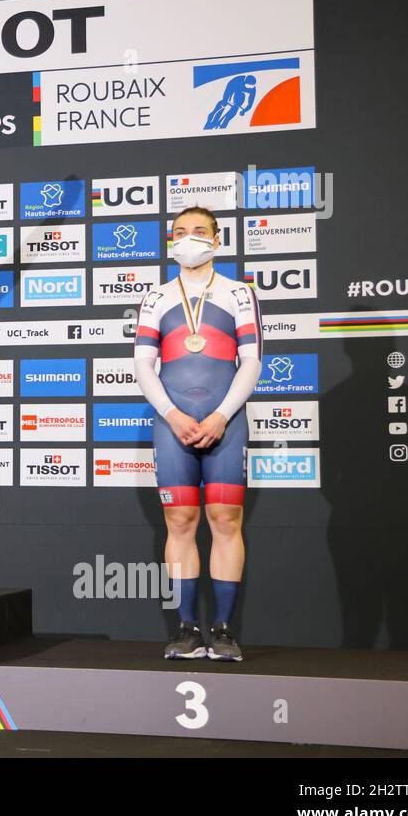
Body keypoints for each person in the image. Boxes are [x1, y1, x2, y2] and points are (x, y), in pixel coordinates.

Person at [134, 206, 262, 662]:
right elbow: (143, 365)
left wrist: (223, 415)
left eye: (199, 232)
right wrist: (171, 414)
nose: (190, 239)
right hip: (173, 424)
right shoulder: (156, 297)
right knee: (179, 522)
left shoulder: (239, 294)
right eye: (181, 232)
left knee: (225, 521)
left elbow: (251, 362)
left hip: (225, 422)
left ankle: (224, 630)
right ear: (170, 241)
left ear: (217, 239)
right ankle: (187, 628)